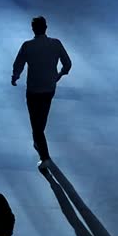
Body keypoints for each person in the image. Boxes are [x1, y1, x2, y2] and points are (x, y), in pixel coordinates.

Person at [11, 16, 72, 170]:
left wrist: (15, 76)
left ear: (33, 29)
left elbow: (18, 64)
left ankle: (44, 156)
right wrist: (59, 74)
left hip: (33, 89)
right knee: (41, 119)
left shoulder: (27, 46)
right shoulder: (56, 44)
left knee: (35, 122)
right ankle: (39, 142)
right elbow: (67, 63)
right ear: (46, 27)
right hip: (49, 88)